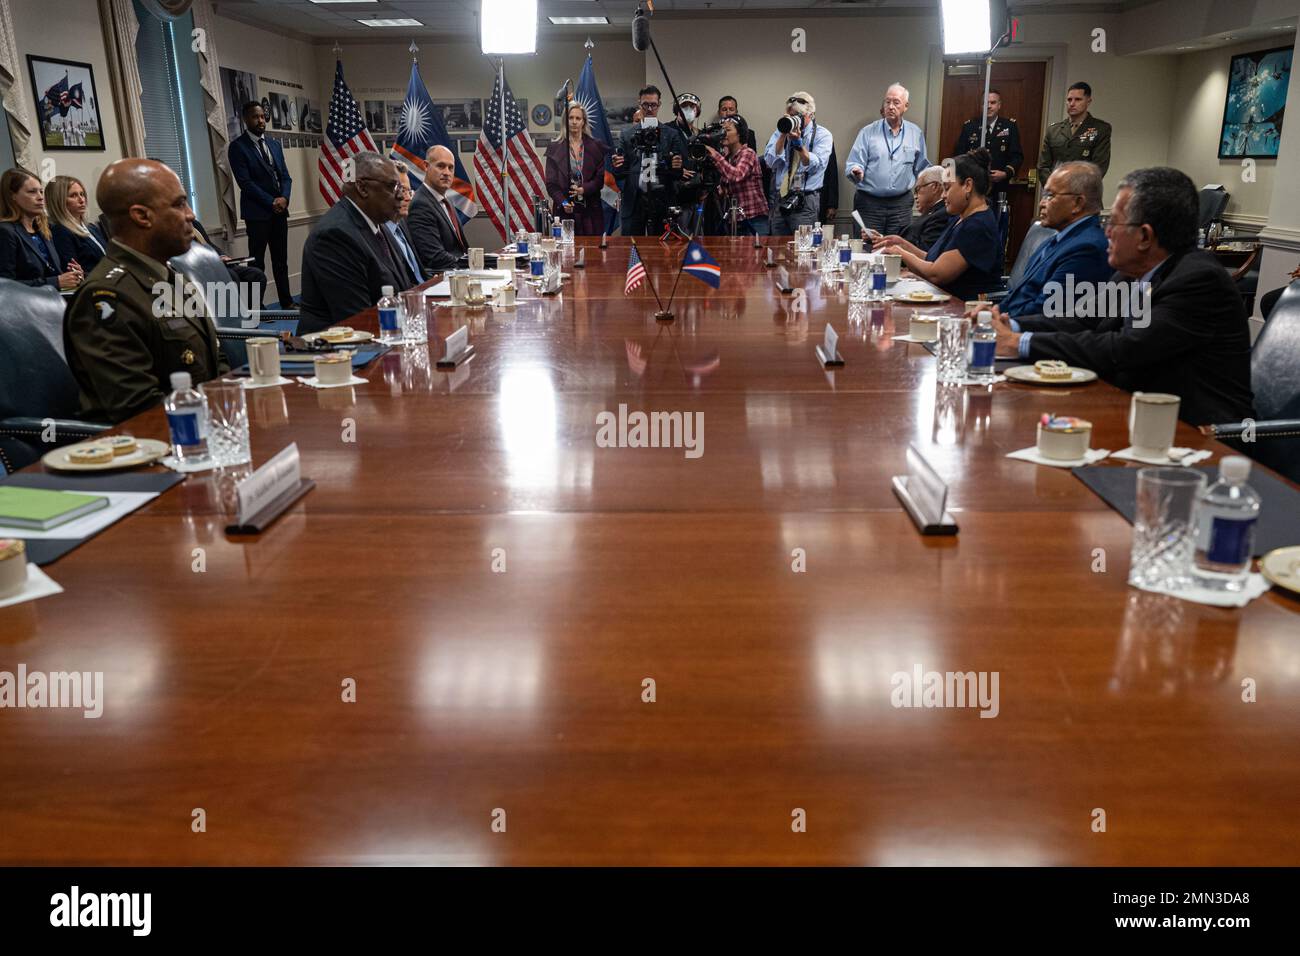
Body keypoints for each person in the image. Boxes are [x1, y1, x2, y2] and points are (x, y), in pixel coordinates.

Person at [991, 167, 1253, 426]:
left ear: (1145, 236)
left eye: (1113, 222)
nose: (1106, 232)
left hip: (1198, 433)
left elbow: (1124, 348)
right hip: (1132, 411)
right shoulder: (1131, 272)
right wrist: (1009, 326)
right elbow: (1081, 321)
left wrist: (1020, 343)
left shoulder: (1198, 280)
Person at [63, 159, 229, 424]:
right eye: (179, 204)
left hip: (207, 428)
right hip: (157, 448)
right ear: (141, 216)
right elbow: (139, 412)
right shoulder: (107, 298)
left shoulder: (169, 276)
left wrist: (232, 407)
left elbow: (213, 360)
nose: (191, 215)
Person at [298, 151, 416, 334]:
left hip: (387, 334)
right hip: (338, 353)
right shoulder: (335, 236)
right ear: (362, 188)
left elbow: (404, 289)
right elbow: (357, 320)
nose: (401, 196)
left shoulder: (379, 224)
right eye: (392, 187)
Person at [875, 150, 1001, 301]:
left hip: (963, 308)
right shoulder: (961, 217)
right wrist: (902, 244)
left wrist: (900, 252)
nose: (943, 195)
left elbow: (936, 274)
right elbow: (932, 259)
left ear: (967, 185)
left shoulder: (978, 226)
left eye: (947, 188)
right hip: (945, 301)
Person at [995, 161, 1110, 320]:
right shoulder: (1056, 239)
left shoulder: (1087, 249)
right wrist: (990, 312)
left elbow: (1044, 311)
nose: (1042, 203)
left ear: (1078, 203)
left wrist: (997, 321)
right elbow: (1019, 295)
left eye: (1050, 196)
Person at [228, 101, 293, 307]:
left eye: (263, 116)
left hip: (280, 212)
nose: (261, 120)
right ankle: (257, 306)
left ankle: (287, 302)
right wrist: (270, 201)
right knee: (257, 262)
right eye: (256, 117)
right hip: (258, 213)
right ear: (245, 120)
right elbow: (245, 183)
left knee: (281, 260)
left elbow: (285, 177)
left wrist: (284, 198)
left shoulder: (274, 144)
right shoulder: (238, 147)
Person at [846, 84, 931, 236]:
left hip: (901, 205)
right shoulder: (868, 132)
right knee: (867, 252)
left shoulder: (915, 133)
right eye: (887, 102)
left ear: (906, 106)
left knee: (898, 253)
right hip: (869, 204)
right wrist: (855, 171)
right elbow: (853, 163)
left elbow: (922, 169)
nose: (891, 106)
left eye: (896, 102)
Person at [612, 85, 688, 236]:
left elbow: (678, 173)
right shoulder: (627, 135)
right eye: (645, 104)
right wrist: (617, 165)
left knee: (663, 251)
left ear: (659, 105)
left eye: (653, 104)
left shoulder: (671, 134)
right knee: (631, 248)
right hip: (634, 199)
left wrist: (677, 167)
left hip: (662, 198)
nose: (649, 108)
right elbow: (619, 174)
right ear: (639, 104)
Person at [763, 90, 833, 236]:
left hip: (805, 201)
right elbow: (770, 162)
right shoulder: (780, 132)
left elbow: (816, 164)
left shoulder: (822, 135)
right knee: (778, 250)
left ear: (811, 115)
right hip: (780, 198)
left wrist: (798, 144)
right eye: (791, 115)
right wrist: (783, 134)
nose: (794, 119)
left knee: (803, 250)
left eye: (798, 116)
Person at [0, 168, 82, 290]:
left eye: (41, 191)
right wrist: (56, 282)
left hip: (55, 301)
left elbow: (51, 272)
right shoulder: (5, 232)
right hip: (27, 306)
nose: (40, 197)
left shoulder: (44, 229)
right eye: (32, 192)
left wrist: (73, 275)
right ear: (13, 196)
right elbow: (5, 286)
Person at [544, 102, 610, 236]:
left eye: (578, 118)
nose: (574, 122)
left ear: (583, 122)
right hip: (564, 212)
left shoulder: (596, 146)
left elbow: (599, 180)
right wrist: (563, 202)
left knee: (593, 254)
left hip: (591, 212)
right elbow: (551, 184)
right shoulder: (554, 148)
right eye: (571, 118)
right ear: (565, 121)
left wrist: (583, 189)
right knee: (566, 255)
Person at [952, 89, 1022, 211]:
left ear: (999, 105)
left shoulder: (1009, 126)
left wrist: (1006, 173)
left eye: (993, 102)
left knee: (997, 225)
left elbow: (1017, 156)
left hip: (999, 188)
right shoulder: (970, 127)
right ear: (981, 105)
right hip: (973, 187)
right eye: (986, 103)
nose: (989, 106)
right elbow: (959, 156)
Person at [408, 144, 469, 273]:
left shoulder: (445, 201)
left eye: (451, 168)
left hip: (458, 272)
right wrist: (471, 265)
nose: (446, 173)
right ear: (426, 166)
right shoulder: (421, 204)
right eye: (440, 166)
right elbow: (434, 257)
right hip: (443, 277)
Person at [703, 115, 768, 235]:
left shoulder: (748, 153)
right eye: (721, 130)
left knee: (756, 254)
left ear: (740, 134)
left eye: (727, 130)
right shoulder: (727, 159)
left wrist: (715, 155)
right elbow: (724, 189)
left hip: (754, 218)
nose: (723, 134)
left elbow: (737, 175)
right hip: (735, 219)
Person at [1037, 82, 1111, 183]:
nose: (1072, 104)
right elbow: (1043, 167)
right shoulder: (1053, 130)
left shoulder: (1100, 129)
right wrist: (1055, 187)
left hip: (1083, 192)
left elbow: (1098, 168)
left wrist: (1072, 189)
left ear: (1088, 102)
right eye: (1069, 100)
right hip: (1055, 191)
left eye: (1078, 99)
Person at [46, 175, 108, 274]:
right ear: (59, 201)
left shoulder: (91, 227)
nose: (81, 200)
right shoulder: (61, 232)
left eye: (82, 194)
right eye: (73, 195)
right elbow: (73, 273)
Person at [886, 164, 951, 253]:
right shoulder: (931, 212)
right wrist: (882, 239)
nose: (915, 196)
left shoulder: (941, 214)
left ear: (935, 187)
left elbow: (924, 252)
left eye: (917, 189)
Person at [386, 160, 424, 284]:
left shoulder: (402, 224)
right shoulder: (379, 232)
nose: (407, 198)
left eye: (409, 191)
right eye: (401, 190)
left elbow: (417, 274)